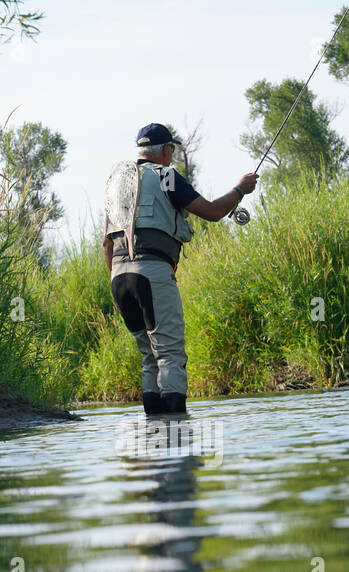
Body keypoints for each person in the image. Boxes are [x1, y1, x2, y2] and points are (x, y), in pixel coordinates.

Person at [103, 123, 258, 416]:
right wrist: (240, 189)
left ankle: (153, 437)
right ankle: (175, 439)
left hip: (119, 278)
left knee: (148, 357)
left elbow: (106, 244)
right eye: (171, 150)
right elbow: (212, 212)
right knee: (170, 356)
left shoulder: (117, 183)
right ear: (165, 150)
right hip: (151, 272)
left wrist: (116, 286)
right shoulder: (167, 177)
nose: (171, 157)